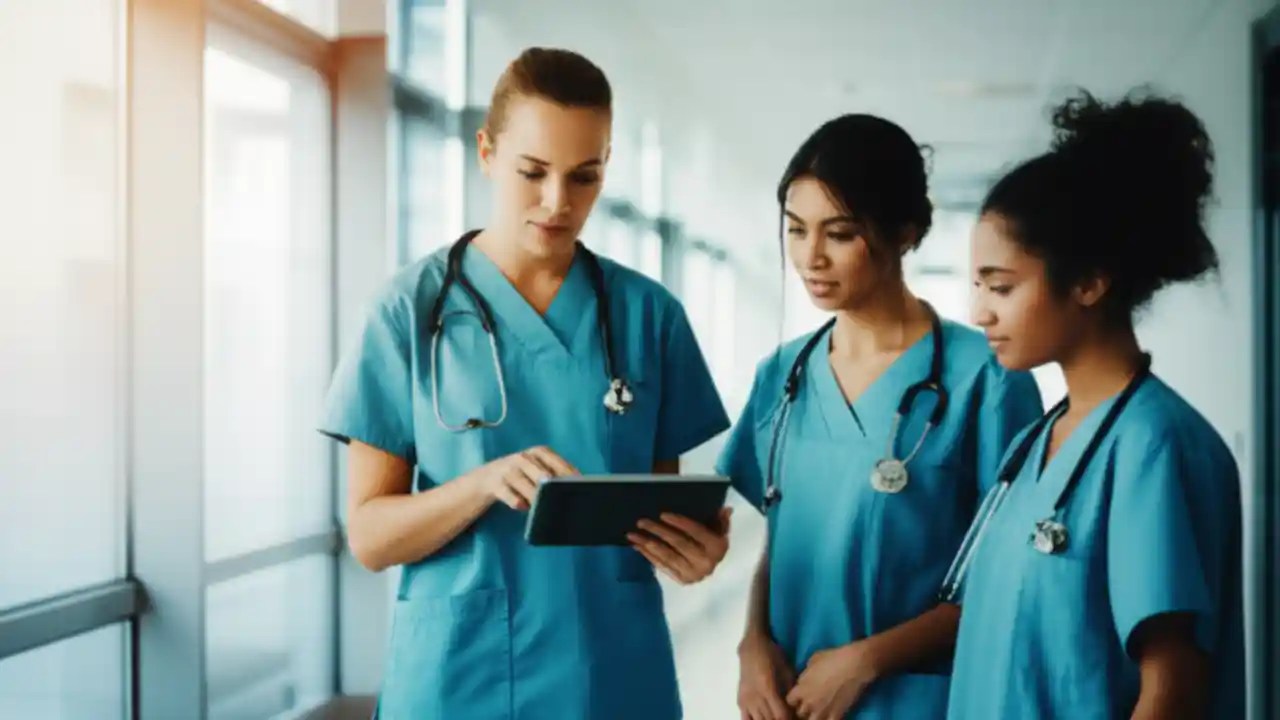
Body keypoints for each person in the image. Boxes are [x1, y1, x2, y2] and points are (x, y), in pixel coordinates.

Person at [319, 47, 732, 720]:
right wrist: (482, 484)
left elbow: (658, 514)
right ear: (486, 151)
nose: (557, 202)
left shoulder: (648, 317)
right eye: (532, 172)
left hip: (612, 675)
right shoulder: (408, 312)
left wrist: (695, 549)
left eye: (584, 177)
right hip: (459, 680)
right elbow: (369, 536)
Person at [717, 114, 1044, 720]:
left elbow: (1010, 578)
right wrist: (752, 643)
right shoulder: (781, 377)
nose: (810, 257)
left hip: (920, 701)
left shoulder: (987, 377)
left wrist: (867, 660)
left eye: (839, 233)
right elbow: (786, 535)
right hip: (792, 700)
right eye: (795, 230)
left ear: (906, 231)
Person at [947, 90, 1245, 718]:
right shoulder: (1034, 444)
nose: (980, 313)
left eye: (1001, 287)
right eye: (977, 286)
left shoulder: (1153, 446)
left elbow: (1171, 691)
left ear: (1089, 280)